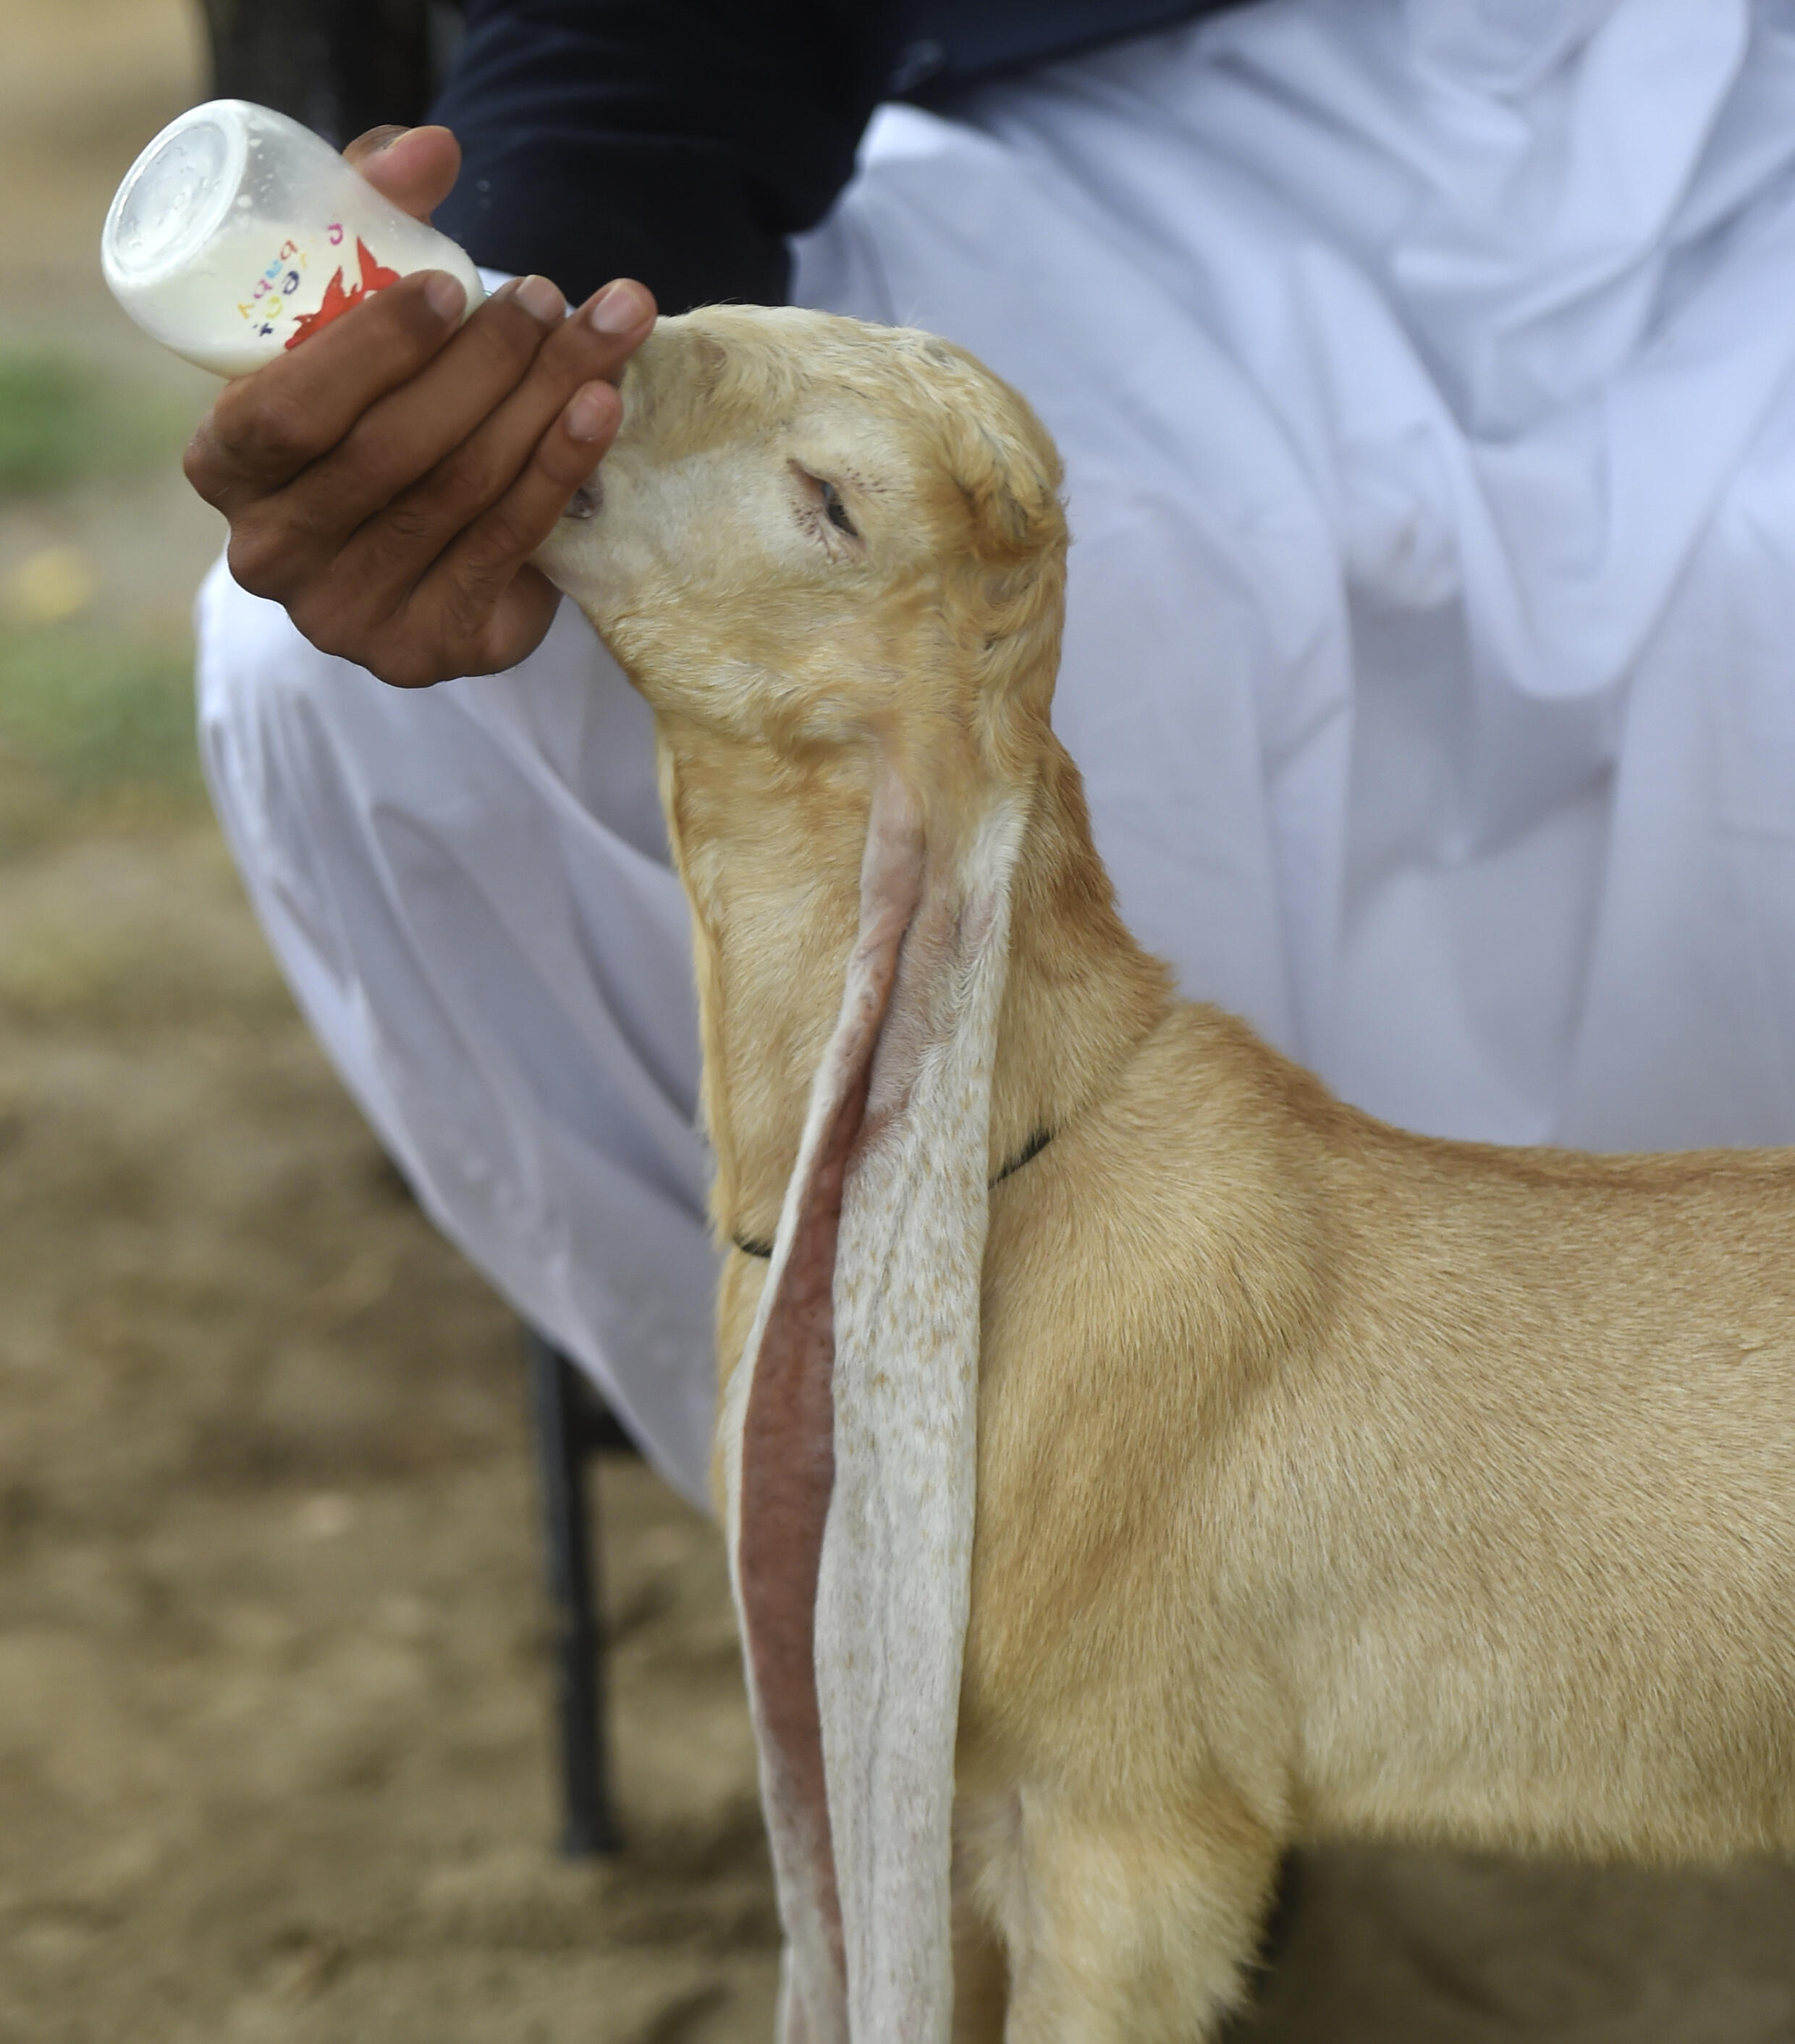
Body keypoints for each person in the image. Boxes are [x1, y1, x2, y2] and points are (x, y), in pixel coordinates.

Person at [189, 0, 1795, 1511]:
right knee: (366, 680)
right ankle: (1010, 1583)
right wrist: (523, 340)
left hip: (1738, 142)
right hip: (1082, 151)